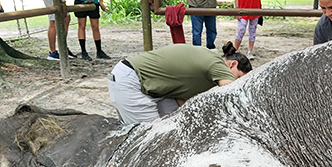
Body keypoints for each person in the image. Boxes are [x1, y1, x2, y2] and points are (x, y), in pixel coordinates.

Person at [108, 42, 252, 125]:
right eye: (238, 77)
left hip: (152, 88)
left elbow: (181, 103)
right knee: (152, 140)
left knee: (175, 127)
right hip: (132, 80)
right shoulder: (216, 63)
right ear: (233, 64)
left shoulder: (207, 73)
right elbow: (233, 94)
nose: (236, 82)